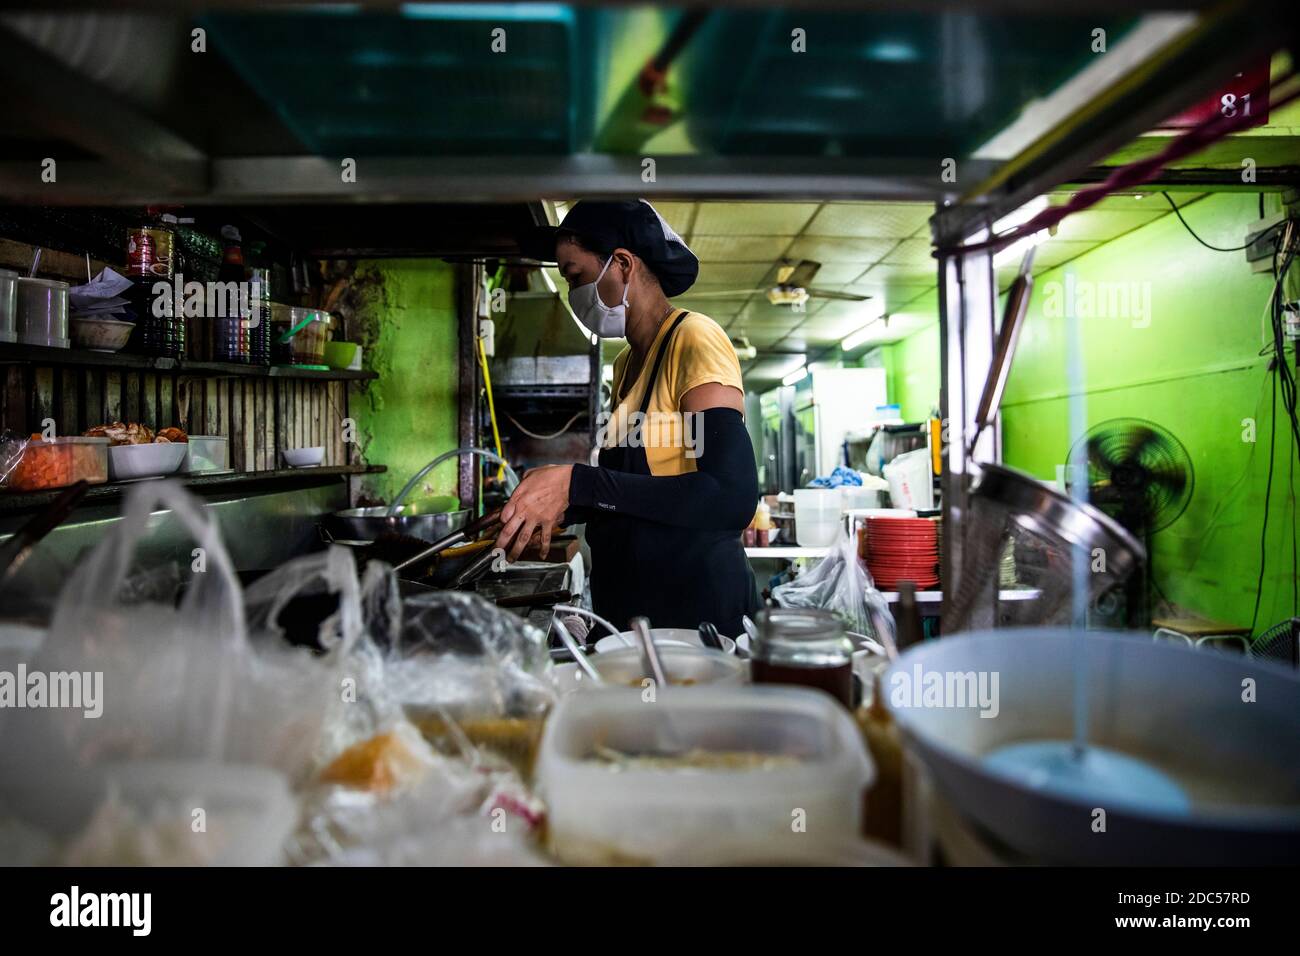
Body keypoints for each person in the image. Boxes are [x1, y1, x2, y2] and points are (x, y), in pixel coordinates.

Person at [497, 199, 760, 636]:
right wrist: (554, 502)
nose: (572, 292)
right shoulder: (625, 365)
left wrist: (579, 482)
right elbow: (640, 492)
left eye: (576, 275)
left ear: (621, 264)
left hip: (696, 622)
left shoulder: (693, 338)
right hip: (635, 617)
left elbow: (730, 497)